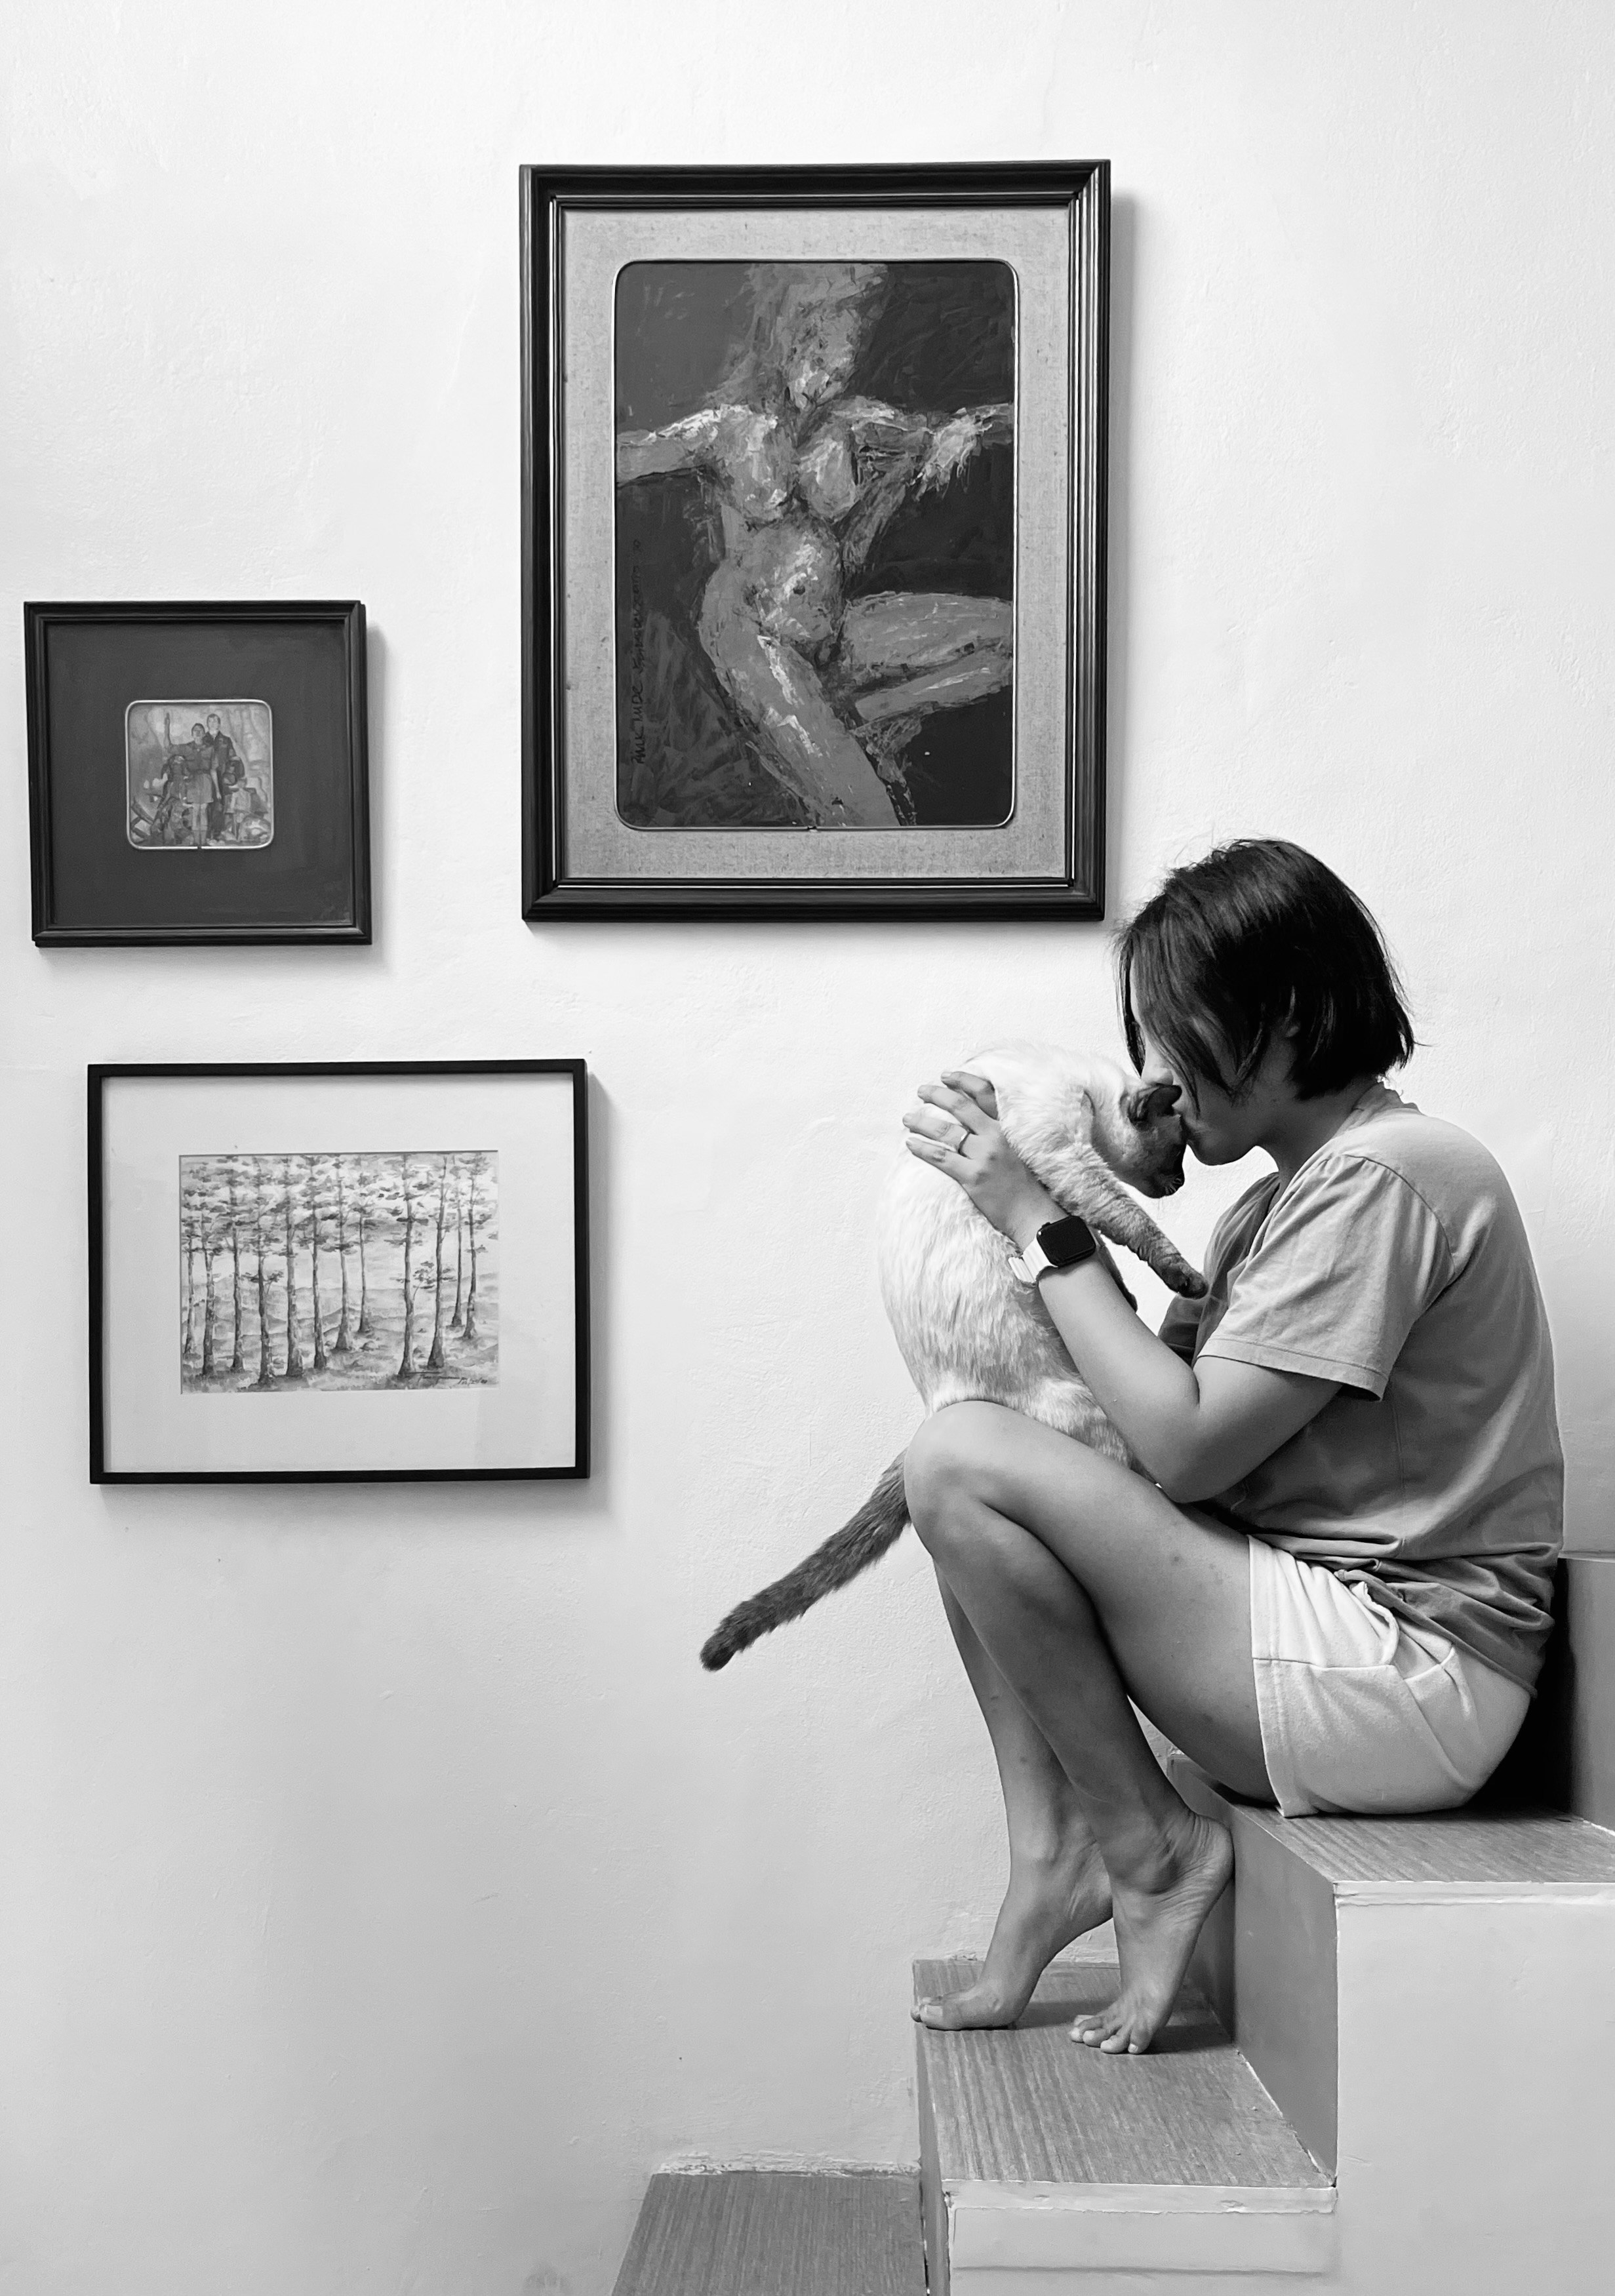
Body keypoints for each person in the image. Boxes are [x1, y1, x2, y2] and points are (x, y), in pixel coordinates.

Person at [900, 839, 1562, 2056]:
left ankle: (1145, 1848)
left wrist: (1030, 1212)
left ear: (1290, 1016)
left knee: (952, 1461)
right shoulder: (1282, 1199)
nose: (1155, 1075)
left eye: (1177, 1034)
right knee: (960, 1477)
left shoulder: (1393, 1178)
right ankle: (1055, 1856)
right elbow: (1154, 1442)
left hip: (1408, 1673)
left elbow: (1187, 1447)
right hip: (1326, 1634)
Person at [615, 264, 1013, 827]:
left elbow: (973, 426)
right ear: (789, 343)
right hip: (755, 631)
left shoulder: (854, 424)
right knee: (868, 813)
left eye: (842, 364)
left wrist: (965, 429)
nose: (829, 377)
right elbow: (621, 458)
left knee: (1018, 639)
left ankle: (869, 711)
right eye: (820, 356)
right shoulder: (732, 430)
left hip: (834, 627)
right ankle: (850, 741)